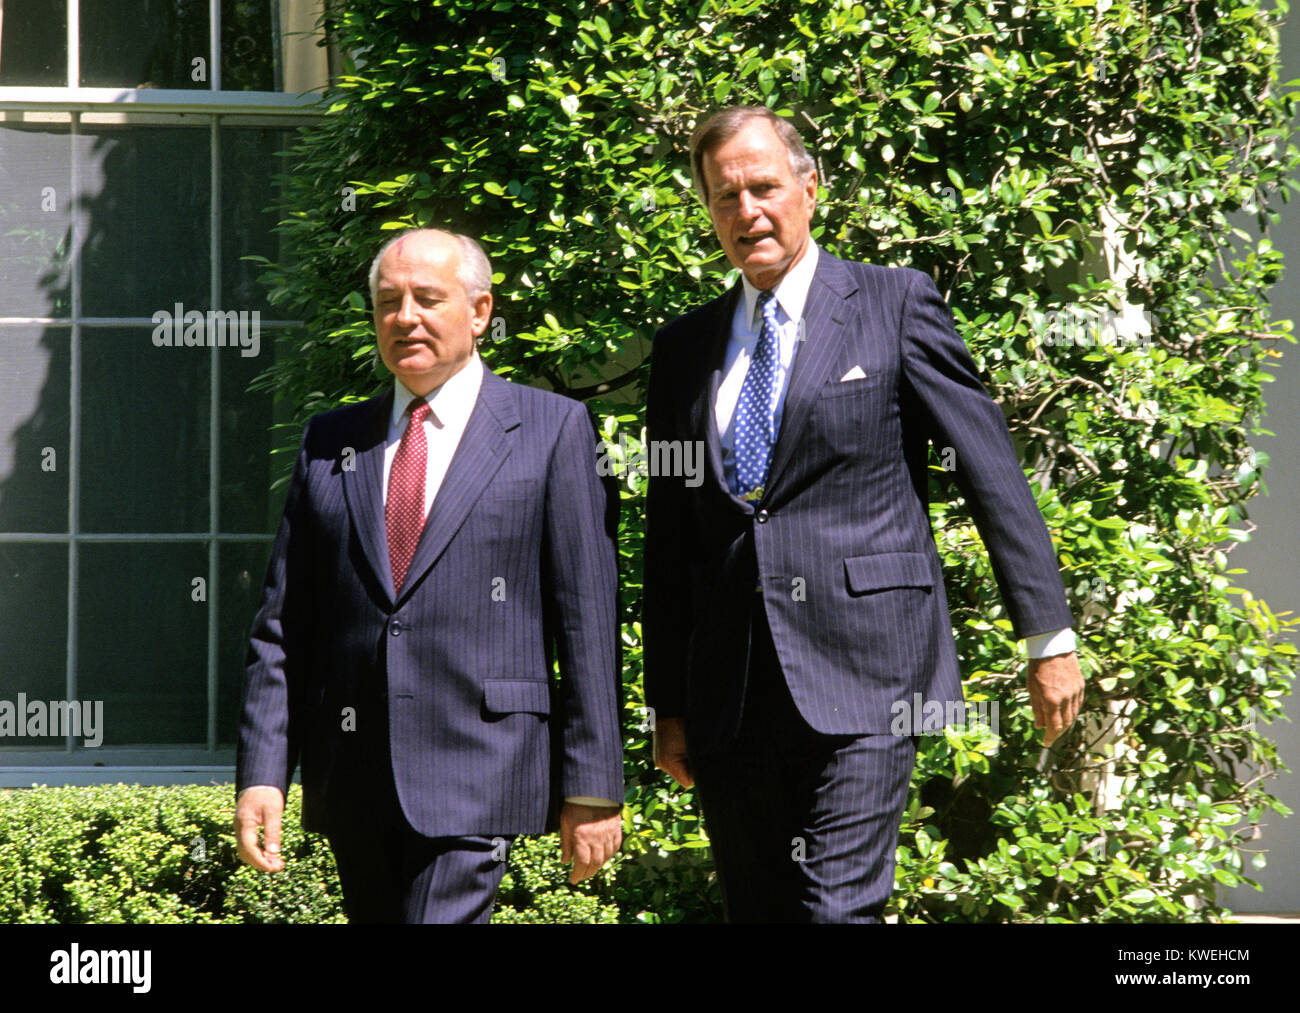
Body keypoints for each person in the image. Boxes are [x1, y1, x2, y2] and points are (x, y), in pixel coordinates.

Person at [643, 106, 1085, 923]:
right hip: (731, 691)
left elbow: (991, 470)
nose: (747, 212)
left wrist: (1047, 637)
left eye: (764, 187)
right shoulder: (683, 350)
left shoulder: (894, 305)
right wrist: (668, 703)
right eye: (724, 197)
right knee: (760, 909)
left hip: (869, 675)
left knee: (837, 910)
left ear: (810, 188)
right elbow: (669, 543)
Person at [234, 228, 623, 923]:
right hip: (355, 776)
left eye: (427, 298)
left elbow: (586, 619)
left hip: (481, 767)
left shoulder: (551, 430)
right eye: (388, 302)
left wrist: (593, 785)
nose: (404, 317)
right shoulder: (330, 441)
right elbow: (284, 625)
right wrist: (265, 770)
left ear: (479, 312)